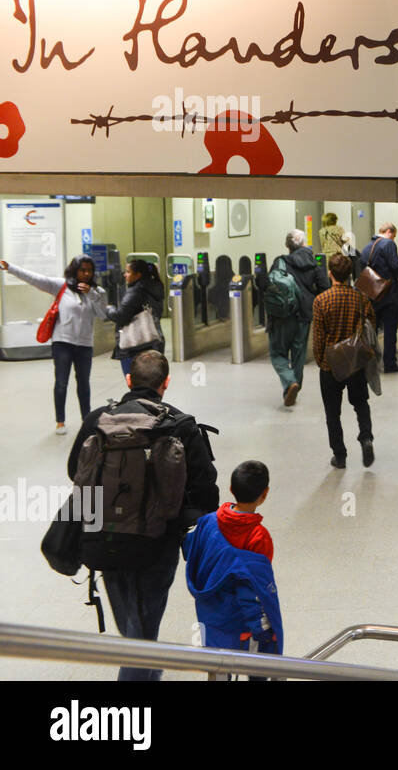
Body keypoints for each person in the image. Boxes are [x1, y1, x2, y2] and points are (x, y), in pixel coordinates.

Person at [68, 349, 219, 680]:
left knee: (134, 630)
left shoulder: (97, 420)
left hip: (104, 539)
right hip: (155, 545)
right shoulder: (179, 424)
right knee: (141, 635)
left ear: (128, 380)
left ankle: (148, 669)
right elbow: (206, 489)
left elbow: (74, 471)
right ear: (166, 383)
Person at [183, 460, 282, 673]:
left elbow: (192, 551)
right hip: (241, 622)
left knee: (217, 666)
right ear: (265, 494)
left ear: (230, 489)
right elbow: (254, 587)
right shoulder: (259, 537)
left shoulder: (207, 522)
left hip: (210, 613)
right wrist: (263, 630)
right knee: (254, 667)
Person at [1, 254, 108, 434]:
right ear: (75, 270)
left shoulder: (98, 292)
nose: (86, 274)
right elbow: (35, 279)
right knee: (61, 382)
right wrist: (10, 268)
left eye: (90, 270)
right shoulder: (61, 286)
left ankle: (86, 419)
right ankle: (60, 421)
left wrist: (91, 294)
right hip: (62, 342)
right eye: (82, 270)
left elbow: (102, 314)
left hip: (84, 344)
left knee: (84, 383)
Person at [312, 253, 377, 468]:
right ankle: (366, 438)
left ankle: (339, 455)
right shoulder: (361, 298)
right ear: (350, 274)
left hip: (331, 364)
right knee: (361, 404)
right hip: (355, 361)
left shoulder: (321, 300)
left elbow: (318, 337)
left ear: (330, 273)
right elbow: (371, 326)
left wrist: (321, 361)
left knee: (333, 413)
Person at [268, 229, 329, 406]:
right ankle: (294, 385)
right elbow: (324, 288)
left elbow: (268, 285)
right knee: (298, 354)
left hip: (282, 315)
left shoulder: (280, 262)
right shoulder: (313, 263)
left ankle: (289, 383)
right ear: (304, 244)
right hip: (303, 314)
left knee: (277, 353)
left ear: (287, 245)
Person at [361, 223, 398, 373]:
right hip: (388, 295)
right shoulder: (388, 244)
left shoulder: (367, 247)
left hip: (372, 294)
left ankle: (370, 363)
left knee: (372, 331)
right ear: (389, 232)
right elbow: (396, 266)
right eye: (394, 236)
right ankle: (390, 364)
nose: (393, 239)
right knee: (390, 331)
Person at [107, 259, 165, 379]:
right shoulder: (155, 287)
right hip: (153, 341)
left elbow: (120, 316)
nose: (125, 275)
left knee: (135, 383)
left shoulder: (135, 291)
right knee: (151, 382)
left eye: (128, 272)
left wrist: (109, 309)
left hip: (134, 346)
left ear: (138, 274)